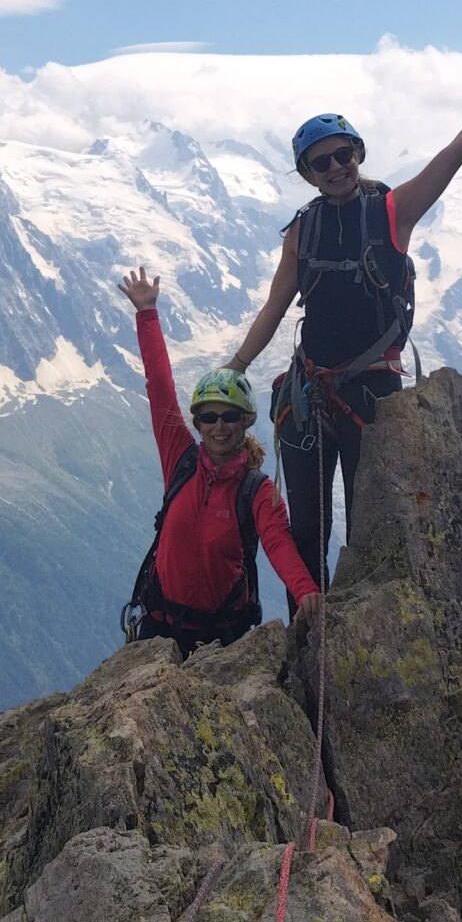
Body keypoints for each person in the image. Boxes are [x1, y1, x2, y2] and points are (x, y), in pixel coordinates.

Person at [226, 36, 462, 584]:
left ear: (358, 153)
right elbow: (276, 305)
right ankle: (307, 633)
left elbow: (458, 149)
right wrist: (237, 366)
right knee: (306, 536)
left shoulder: (393, 209)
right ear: (307, 173)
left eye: (344, 154)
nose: (337, 167)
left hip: (370, 395)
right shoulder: (302, 230)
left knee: (376, 532)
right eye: (322, 162)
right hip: (310, 392)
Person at [117, 266, 320, 654]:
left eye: (229, 416)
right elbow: (159, 387)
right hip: (160, 627)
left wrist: (305, 589)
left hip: (219, 639)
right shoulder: (181, 459)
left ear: (245, 422)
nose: (219, 427)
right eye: (209, 417)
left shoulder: (256, 491)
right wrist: (147, 313)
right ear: (197, 423)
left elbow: (279, 544)